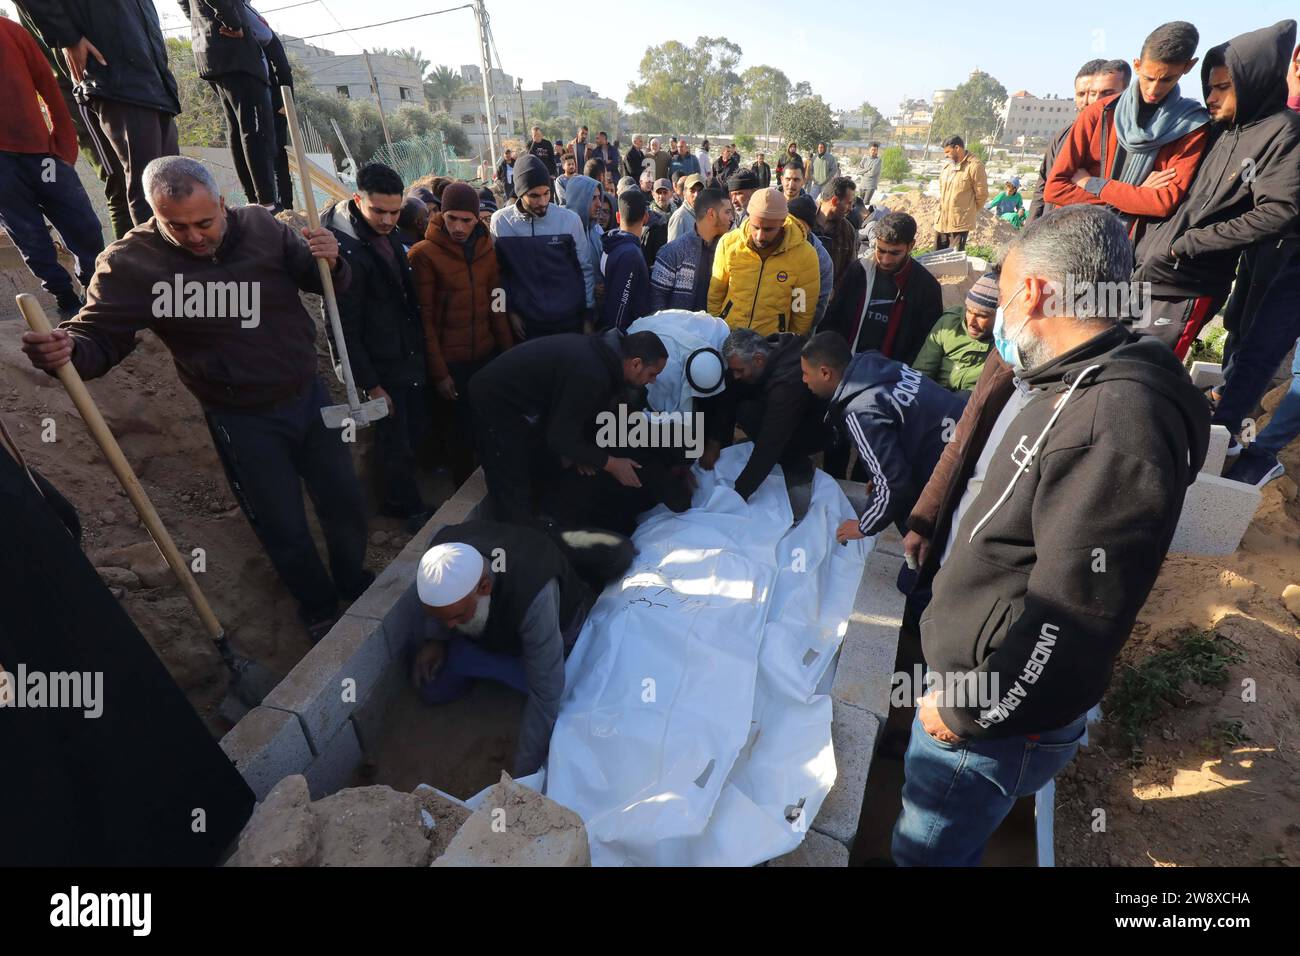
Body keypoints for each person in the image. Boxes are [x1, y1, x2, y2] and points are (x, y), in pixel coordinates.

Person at [891, 204, 1208, 867]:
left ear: (1034, 292)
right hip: (975, 686)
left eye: (1003, 295)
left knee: (929, 849)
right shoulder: (1059, 376)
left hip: (989, 719)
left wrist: (969, 714)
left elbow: (1076, 614)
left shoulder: (1115, 421)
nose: (996, 317)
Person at [20, 155, 372, 641]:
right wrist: (67, 350)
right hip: (240, 418)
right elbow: (98, 336)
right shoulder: (131, 263)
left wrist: (332, 259)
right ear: (153, 214)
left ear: (224, 205)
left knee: (344, 500)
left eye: (204, 222)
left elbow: (323, 281)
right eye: (176, 226)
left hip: (308, 396)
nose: (195, 236)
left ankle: (355, 582)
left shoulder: (263, 228)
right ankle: (317, 607)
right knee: (280, 523)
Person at [1132, 20, 1300, 357]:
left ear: (1253, 82)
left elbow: (1280, 212)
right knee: (1110, 373)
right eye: (1209, 87)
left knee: (1145, 380)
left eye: (1222, 88)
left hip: (1186, 284)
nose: (1211, 97)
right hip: (1144, 273)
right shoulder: (1215, 127)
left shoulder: (1283, 132)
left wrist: (1188, 245)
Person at [412, 524, 593, 777]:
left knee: (562, 696)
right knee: (433, 688)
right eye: (443, 619)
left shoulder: (534, 591)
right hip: (497, 631)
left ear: (484, 587)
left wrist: (523, 776)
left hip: (554, 632)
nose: (450, 625)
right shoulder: (440, 554)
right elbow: (441, 611)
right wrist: (436, 639)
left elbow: (546, 691)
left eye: (457, 616)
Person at [322, 163, 431, 529]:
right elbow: (342, 329)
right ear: (358, 200)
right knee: (393, 441)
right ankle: (407, 508)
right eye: (379, 211)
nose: (387, 220)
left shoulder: (385, 236)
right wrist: (370, 385)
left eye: (395, 211)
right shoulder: (344, 251)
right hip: (379, 365)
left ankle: (407, 494)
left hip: (403, 351)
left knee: (409, 433)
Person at [469, 330, 667, 523]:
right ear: (636, 364)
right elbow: (560, 437)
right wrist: (611, 463)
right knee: (511, 477)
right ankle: (513, 542)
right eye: (652, 374)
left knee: (536, 464)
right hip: (495, 401)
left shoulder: (604, 357)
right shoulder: (592, 373)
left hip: (525, 405)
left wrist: (583, 453)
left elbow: (575, 416)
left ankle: (532, 521)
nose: (652, 381)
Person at [16, 0, 181, 228]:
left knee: (170, 179)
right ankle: (144, 261)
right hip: (101, 79)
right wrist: (67, 36)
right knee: (127, 183)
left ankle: (178, 260)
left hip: (150, 77)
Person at [1044, 21, 1210, 242]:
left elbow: (1161, 203)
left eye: (1167, 79)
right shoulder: (1098, 114)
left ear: (1188, 67)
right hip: (1075, 240)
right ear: (1137, 65)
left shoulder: (1190, 126)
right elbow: (1055, 189)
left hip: (1134, 249)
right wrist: (1136, 194)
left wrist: (1095, 184)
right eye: (1149, 78)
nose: (1154, 89)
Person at [802, 331, 966, 534]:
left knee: (922, 556)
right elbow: (907, 422)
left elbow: (894, 485)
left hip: (946, 482)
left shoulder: (860, 411)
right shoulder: (877, 368)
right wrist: (883, 467)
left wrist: (863, 526)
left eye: (806, 373)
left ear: (825, 373)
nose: (804, 380)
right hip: (963, 444)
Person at [0, 14, 105, 319]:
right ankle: (66, 300)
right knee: (30, 237)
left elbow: (49, 86)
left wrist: (63, 146)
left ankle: (95, 291)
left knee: (82, 224)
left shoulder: (11, 31)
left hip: (43, 158)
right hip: (2, 170)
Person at [408, 181, 513, 486]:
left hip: (485, 354)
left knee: (487, 422)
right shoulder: (423, 255)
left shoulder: (486, 248)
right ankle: (461, 490)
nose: (458, 226)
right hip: (450, 363)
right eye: (452, 217)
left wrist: (507, 353)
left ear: (477, 218)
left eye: (466, 220)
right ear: (441, 213)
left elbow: (497, 301)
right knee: (457, 432)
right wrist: (439, 372)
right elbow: (423, 319)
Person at [700, 327, 827, 501]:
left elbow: (771, 440)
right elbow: (730, 394)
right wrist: (715, 441)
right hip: (782, 411)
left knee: (756, 421)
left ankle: (796, 465)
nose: (736, 375)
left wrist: (739, 493)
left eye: (739, 370)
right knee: (741, 401)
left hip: (814, 428)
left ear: (758, 360)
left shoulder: (788, 382)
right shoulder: (763, 352)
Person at [181, 0, 277, 208]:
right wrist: (233, 23)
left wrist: (207, 25)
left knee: (239, 129)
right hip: (235, 51)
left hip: (214, 51)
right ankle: (266, 203)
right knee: (254, 130)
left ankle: (256, 200)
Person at [491, 154, 595, 339]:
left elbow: (585, 270)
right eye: (534, 196)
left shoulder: (569, 220)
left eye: (547, 193)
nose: (542, 202)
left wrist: (588, 317)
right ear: (519, 192)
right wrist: (509, 312)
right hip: (526, 327)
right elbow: (498, 273)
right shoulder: (501, 222)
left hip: (568, 322)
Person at [820, 211, 942, 365]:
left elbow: (926, 344)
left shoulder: (926, 288)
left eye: (894, 253)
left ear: (911, 246)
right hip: (846, 367)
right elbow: (832, 320)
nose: (885, 260)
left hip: (892, 377)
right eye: (881, 250)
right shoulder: (858, 272)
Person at [709, 189, 820, 336]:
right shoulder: (728, 243)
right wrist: (717, 329)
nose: (760, 236)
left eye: (768, 229)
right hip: (728, 333)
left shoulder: (805, 256)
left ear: (782, 222)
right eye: (755, 227)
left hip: (771, 343)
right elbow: (716, 293)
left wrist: (789, 344)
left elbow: (801, 310)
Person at [1028, 58, 1106, 222]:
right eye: (1080, 94)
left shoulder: (1120, 139)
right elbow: (1042, 188)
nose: (1085, 102)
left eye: (1091, 94)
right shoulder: (1063, 136)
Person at [649, 187, 732, 312]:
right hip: (676, 329)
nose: (731, 217)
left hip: (717, 329)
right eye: (727, 212)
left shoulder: (731, 251)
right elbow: (656, 302)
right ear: (712, 214)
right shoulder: (673, 252)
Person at [913, 272, 997, 392]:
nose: (971, 321)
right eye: (969, 311)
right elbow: (922, 371)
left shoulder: (1005, 347)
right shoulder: (949, 324)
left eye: (981, 316)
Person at [599, 189, 652, 332]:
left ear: (617, 217)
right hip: (624, 337)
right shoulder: (630, 255)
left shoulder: (612, 243)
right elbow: (620, 306)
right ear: (645, 217)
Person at [787, 196, 834, 327]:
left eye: (798, 225)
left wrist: (795, 332)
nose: (792, 228)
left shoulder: (821, 259)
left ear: (809, 227)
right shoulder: (773, 244)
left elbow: (818, 305)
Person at [934, 136, 988, 252]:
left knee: (954, 262)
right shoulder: (948, 167)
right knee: (936, 259)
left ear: (957, 148)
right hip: (942, 221)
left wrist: (967, 212)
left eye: (948, 152)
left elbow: (981, 195)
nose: (946, 155)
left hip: (959, 224)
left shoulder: (974, 166)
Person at [814, 175, 860, 292]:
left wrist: (834, 289)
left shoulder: (848, 231)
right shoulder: (805, 222)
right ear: (834, 201)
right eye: (848, 203)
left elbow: (850, 268)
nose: (851, 208)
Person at [667, 173, 704, 242]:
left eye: (700, 191)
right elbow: (672, 250)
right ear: (684, 193)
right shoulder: (679, 217)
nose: (696, 195)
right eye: (692, 190)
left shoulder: (704, 215)